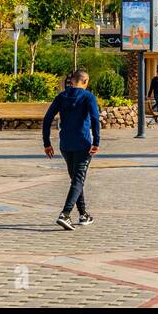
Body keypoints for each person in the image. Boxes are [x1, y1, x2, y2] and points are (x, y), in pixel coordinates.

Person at [42, 69, 101, 231]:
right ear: (85, 82)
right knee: (78, 180)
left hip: (65, 145)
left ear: (72, 81)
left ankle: (83, 214)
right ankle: (65, 214)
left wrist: (47, 143)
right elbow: (95, 119)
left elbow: (47, 119)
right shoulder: (88, 97)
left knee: (76, 179)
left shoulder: (61, 96)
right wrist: (96, 141)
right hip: (83, 144)